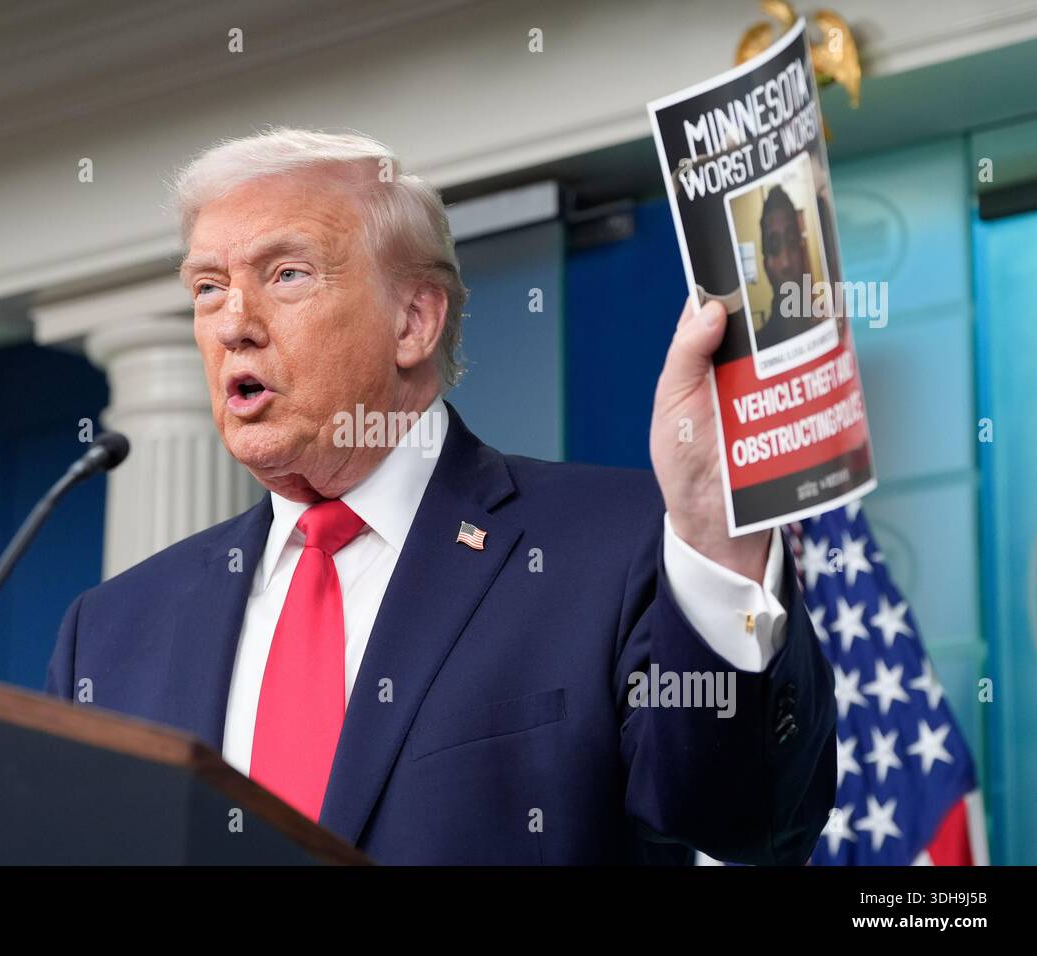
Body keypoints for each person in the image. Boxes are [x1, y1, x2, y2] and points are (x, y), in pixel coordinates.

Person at [45, 128, 835, 865]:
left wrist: (712, 537)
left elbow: (752, 819)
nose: (233, 325)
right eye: (208, 288)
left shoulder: (616, 549)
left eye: (287, 274)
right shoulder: (111, 636)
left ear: (414, 321)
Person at [754, 184, 821, 350]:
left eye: (792, 242)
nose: (786, 263)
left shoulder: (828, 326)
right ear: (765, 266)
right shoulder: (758, 346)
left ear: (802, 252)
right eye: (775, 247)